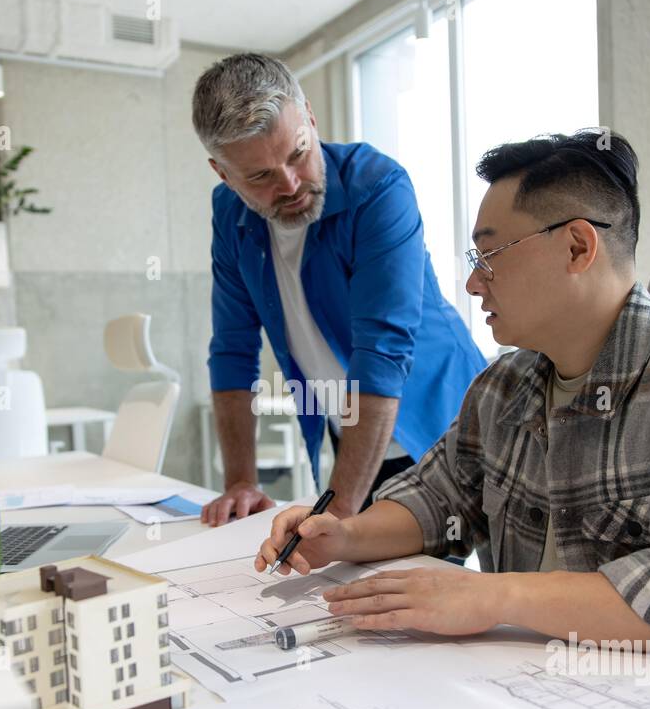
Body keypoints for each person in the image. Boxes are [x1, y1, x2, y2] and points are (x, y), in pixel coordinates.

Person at [254, 129, 650, 673]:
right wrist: (345, 535)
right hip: (552, 693)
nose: (473, 283)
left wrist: (495, 596)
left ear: (578, 247)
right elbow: (438, 497)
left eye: (489, 256)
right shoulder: (505, 386)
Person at [192, 53, 485, 525]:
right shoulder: (230, 214)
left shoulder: (378, 187)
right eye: (261, 176)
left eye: (298, 153)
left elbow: (382, 351)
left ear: (309, 117)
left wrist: (340, 512)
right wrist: (241, 482)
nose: (290, 185)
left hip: (443, 420)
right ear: (223, 173)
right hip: (354, 430)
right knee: (358, 564)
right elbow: (232, 350)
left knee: (443, 566)